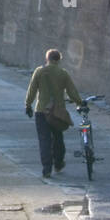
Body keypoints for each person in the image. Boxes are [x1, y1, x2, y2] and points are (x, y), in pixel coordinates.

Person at [24, 49, 83, 178]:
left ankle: (47, 169)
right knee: (58, 138)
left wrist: (28, 105)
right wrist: (80, 103)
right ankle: (58, 163)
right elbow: (72, 92)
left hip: (41, 111)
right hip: (58, 112)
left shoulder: (39, 71)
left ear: (47, 59)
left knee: (44, 140)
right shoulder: (63, 74)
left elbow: (32, 90)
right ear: (59, 60)